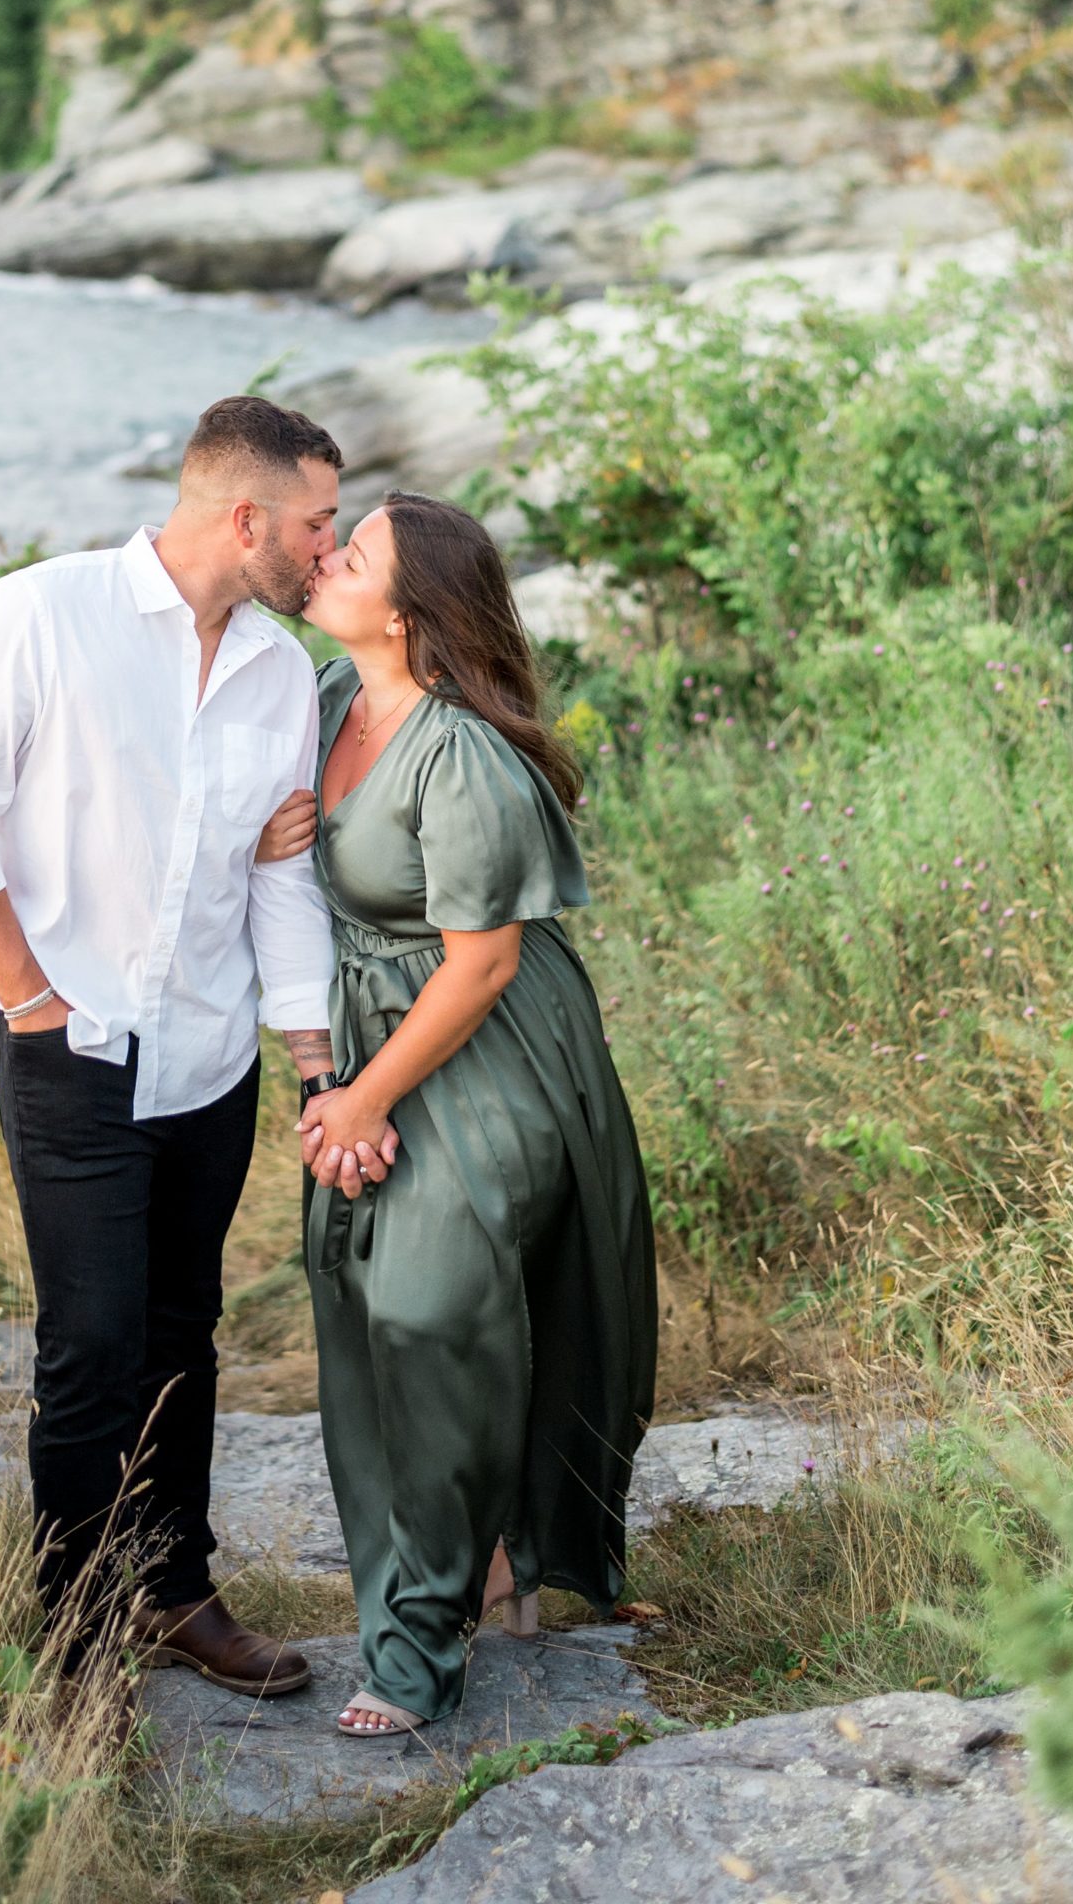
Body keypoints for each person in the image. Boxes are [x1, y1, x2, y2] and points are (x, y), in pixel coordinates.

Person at [0, 396, 367, 1697]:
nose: (331, 548)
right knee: (87, 1346)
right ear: (245, 515)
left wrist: (315, 1061)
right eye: (319, 522)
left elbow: (278, 884)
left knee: (179, 1332)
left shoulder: (284, 672)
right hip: (74, 1049)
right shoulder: (40, 614)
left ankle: (171, 1592)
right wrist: (31, 1000)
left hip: (213, 1061)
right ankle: (74, 1631)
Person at [256, 490, 657, 1738]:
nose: (322, 559)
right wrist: (328, 1083)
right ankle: (483, 1563)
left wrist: (367, 1096)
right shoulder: (327, 701)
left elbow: (479, 964)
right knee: (355, 1295)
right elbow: (287, 875)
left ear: (409, 613)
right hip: (370, 1036)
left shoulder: (463, 752)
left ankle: (422, 1642)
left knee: (427, 1306)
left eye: (351, 551)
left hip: (484, 1042)